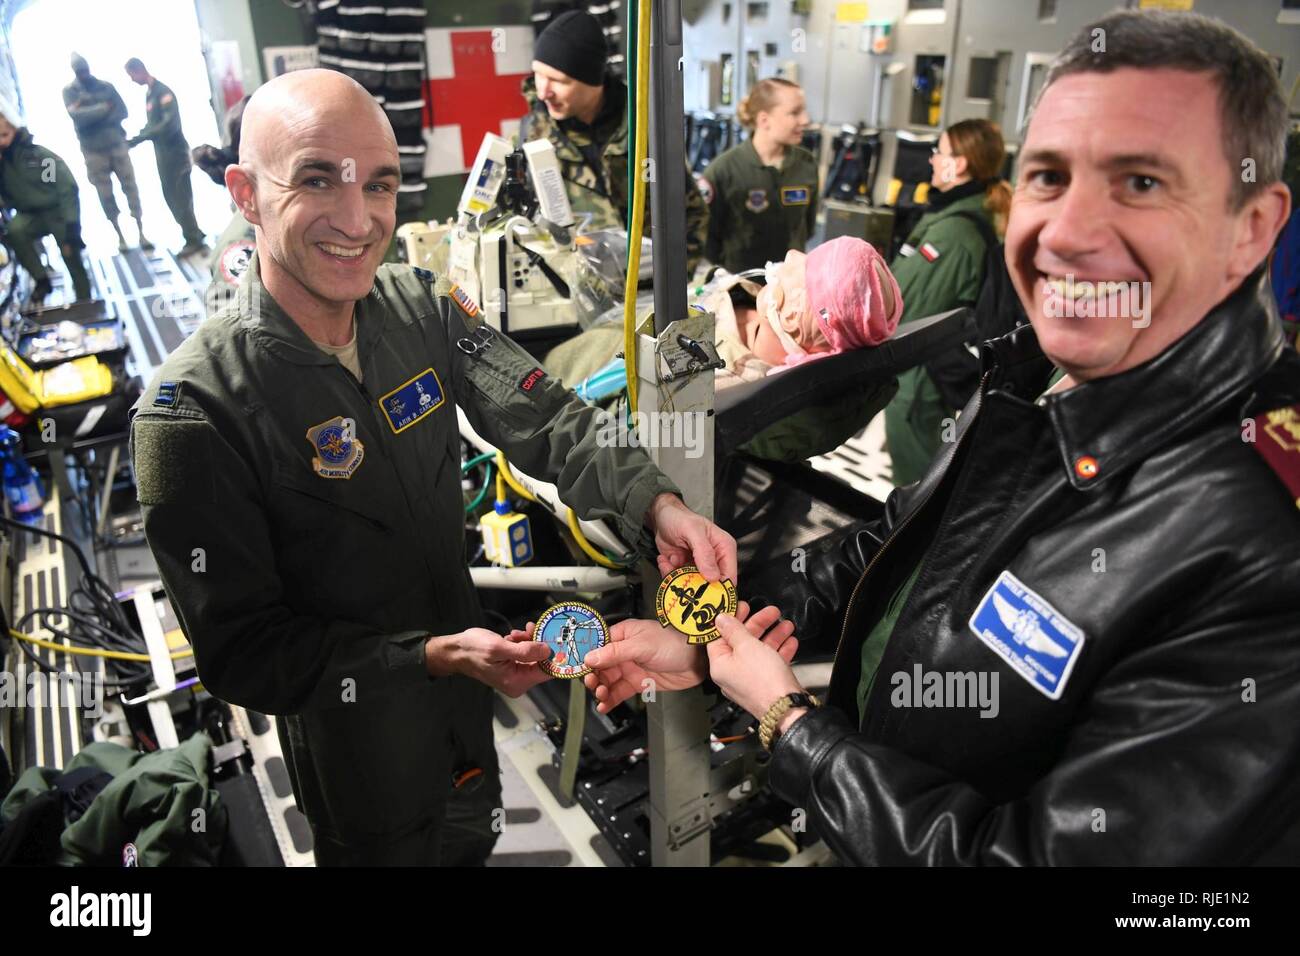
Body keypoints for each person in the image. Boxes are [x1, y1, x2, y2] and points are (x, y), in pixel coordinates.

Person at [584, 8, 1300, 865]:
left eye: (1140, 183)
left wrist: (794, 729)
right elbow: (895, 554)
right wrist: (711, 642)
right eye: (1047, 177)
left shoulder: (1264, 547)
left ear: (1252, 226)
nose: (1067, 232)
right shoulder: (1036, 381)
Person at [129, 68, 737, 866]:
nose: (358, 220)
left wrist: (659, 503)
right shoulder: (191, 411)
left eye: (380, 186)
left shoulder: (422, 307)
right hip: (360, 744)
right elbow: (245, 653)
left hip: (463, 712)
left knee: (469, 835)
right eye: (318, 179)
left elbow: (548, 418)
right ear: (245, 193)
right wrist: (426, 656)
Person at [519, 10, 708, 274]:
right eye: (538, 74)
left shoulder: (645, 128)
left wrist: (674, 278)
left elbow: (690, 213)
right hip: (572, 294)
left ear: (593, 81)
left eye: (559, 81)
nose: (543, 91)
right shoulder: (531, 138)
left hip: (649, 290)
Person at [883, 118, 1012, 486]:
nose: (932, 160)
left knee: (918, 486)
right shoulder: (961, 213)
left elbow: (904, 304)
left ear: (960, 164)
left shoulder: (953, 232)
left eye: (939, 152)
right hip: (926, 372)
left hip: (920, 379)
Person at [698, 77, 818, 274]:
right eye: (795, 112)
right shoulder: (723, 171)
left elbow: (808, 227)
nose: (805, 120)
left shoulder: (806, 165)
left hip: (790, 285)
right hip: (740, 286)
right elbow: (708, 239)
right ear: (764, 120)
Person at [62, 53, 150, 253]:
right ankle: (119, 235)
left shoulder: (106, 87)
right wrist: (103, 109)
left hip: (116, 145)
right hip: (93, 152)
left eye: (84, 70)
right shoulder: (70, 92)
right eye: (79, 71)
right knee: (105, 195)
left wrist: (91, 113)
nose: (83, 74)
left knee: (131, 188)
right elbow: (77, 117)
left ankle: (141, 231)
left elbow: (122, 112)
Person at [0, 112, 91, 304]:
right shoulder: (4, 165)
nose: (3, 143)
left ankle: (85, 300)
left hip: (56, 213)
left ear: (14, 131)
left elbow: (65, 187)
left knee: (70, 253)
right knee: (15, 231)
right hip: (30, 216)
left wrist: (72, 224)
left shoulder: (39, 157)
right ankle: (41, 279)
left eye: (4, 136)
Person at [124, 58, 207, 258]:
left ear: (139, 70)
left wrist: (143, 136)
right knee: (171, 196)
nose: (133, 81)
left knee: (181, 196)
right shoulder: (151, 94)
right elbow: (152, 123)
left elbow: (168, 125)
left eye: (132, 76)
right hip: (163, 155)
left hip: (175, 154)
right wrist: (135, 139)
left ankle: (193, 239)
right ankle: (193, 232)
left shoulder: (163, 93)